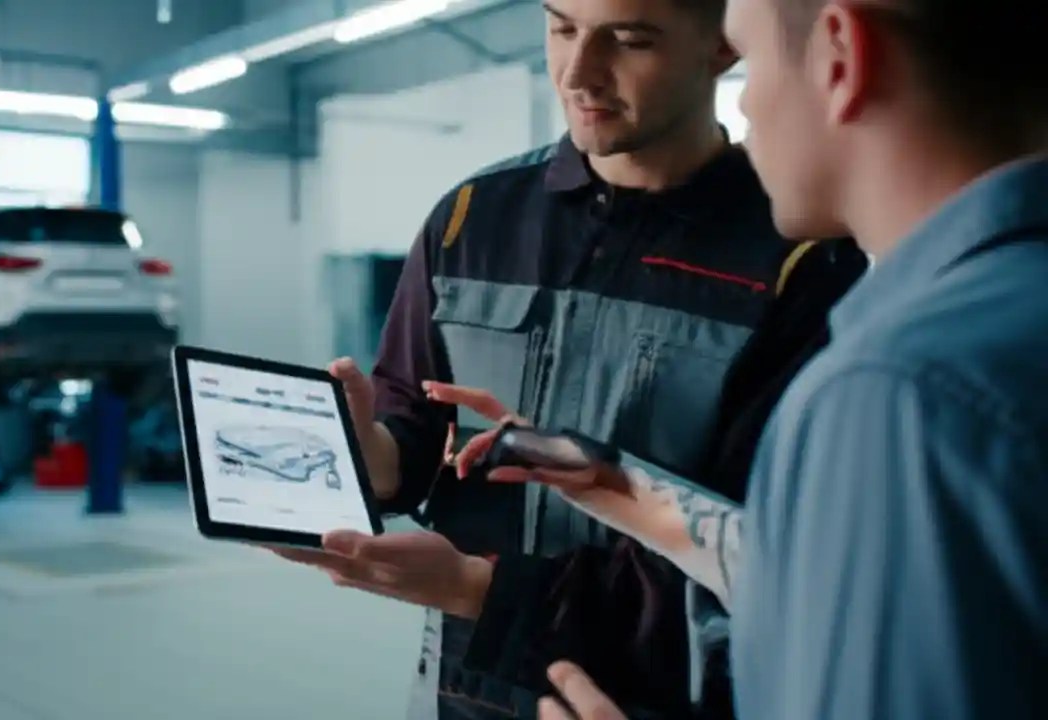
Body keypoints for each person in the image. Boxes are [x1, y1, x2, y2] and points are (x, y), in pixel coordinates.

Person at [439, 0, 1048, 717]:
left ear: (841, 57)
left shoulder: (898, 393)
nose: (750, 108)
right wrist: (634, 492)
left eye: (751, 61)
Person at [274, 0, 865, 718]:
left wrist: (484, 589)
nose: (579, 74)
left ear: (723, 48)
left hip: (662, 697)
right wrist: (372, 452)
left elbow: (771, 556)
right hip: (465, 684)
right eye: (561, 29)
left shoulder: (794, 256)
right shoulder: (471, 220)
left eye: (629, 39)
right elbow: (413, 423)